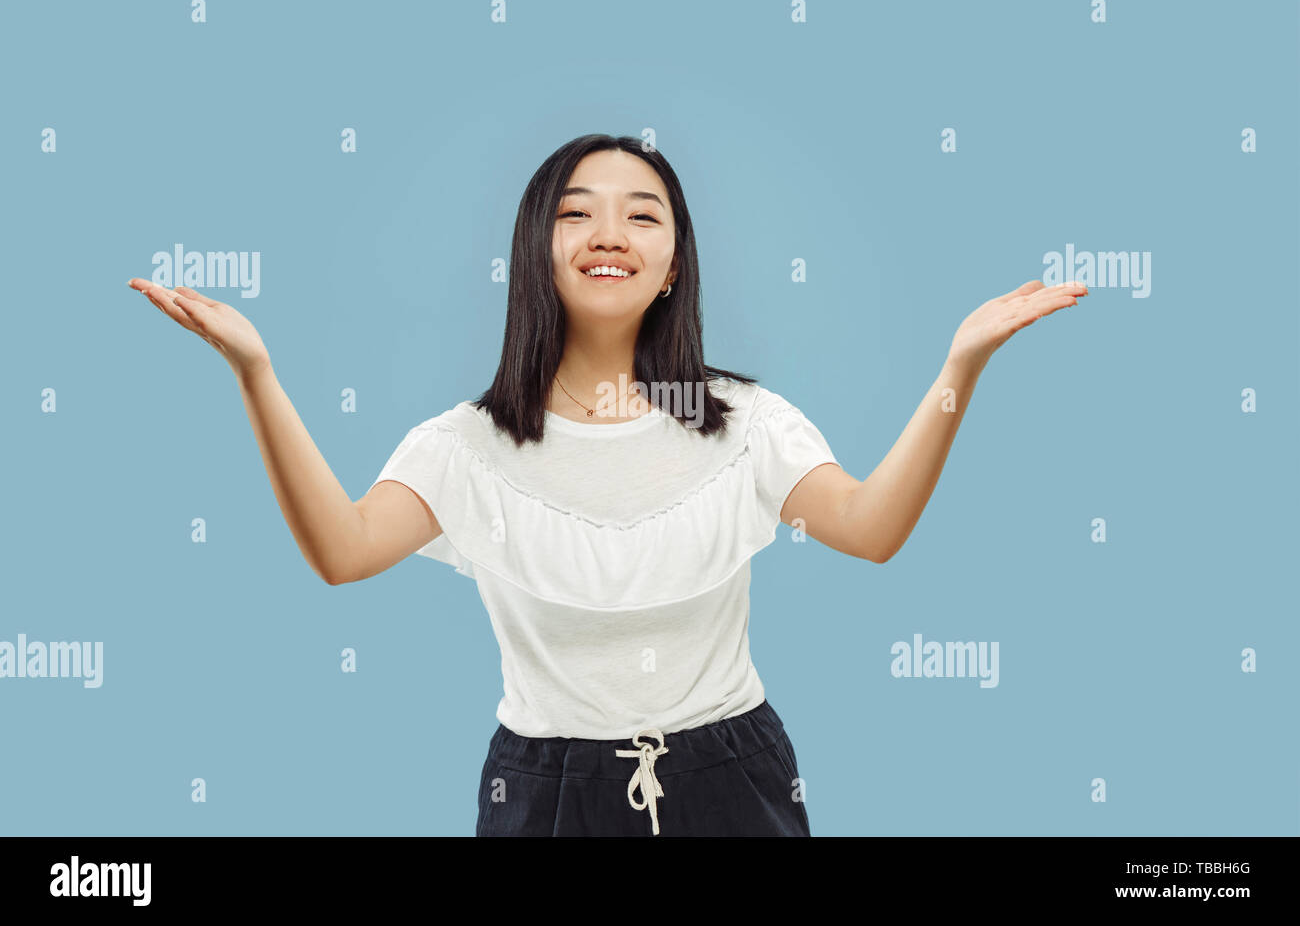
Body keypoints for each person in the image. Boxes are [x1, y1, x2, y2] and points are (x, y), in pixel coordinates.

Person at [127, 133, 1087, 837]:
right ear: (538, 248)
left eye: (643, 212)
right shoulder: (465, 446)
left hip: (732, 776)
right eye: (577, 210)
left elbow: (871, 528)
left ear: (674, 263)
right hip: (542, 794)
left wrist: (964, 362)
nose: (608, 230)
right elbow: (341, 550)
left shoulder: (743, 420)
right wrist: (255, 372)